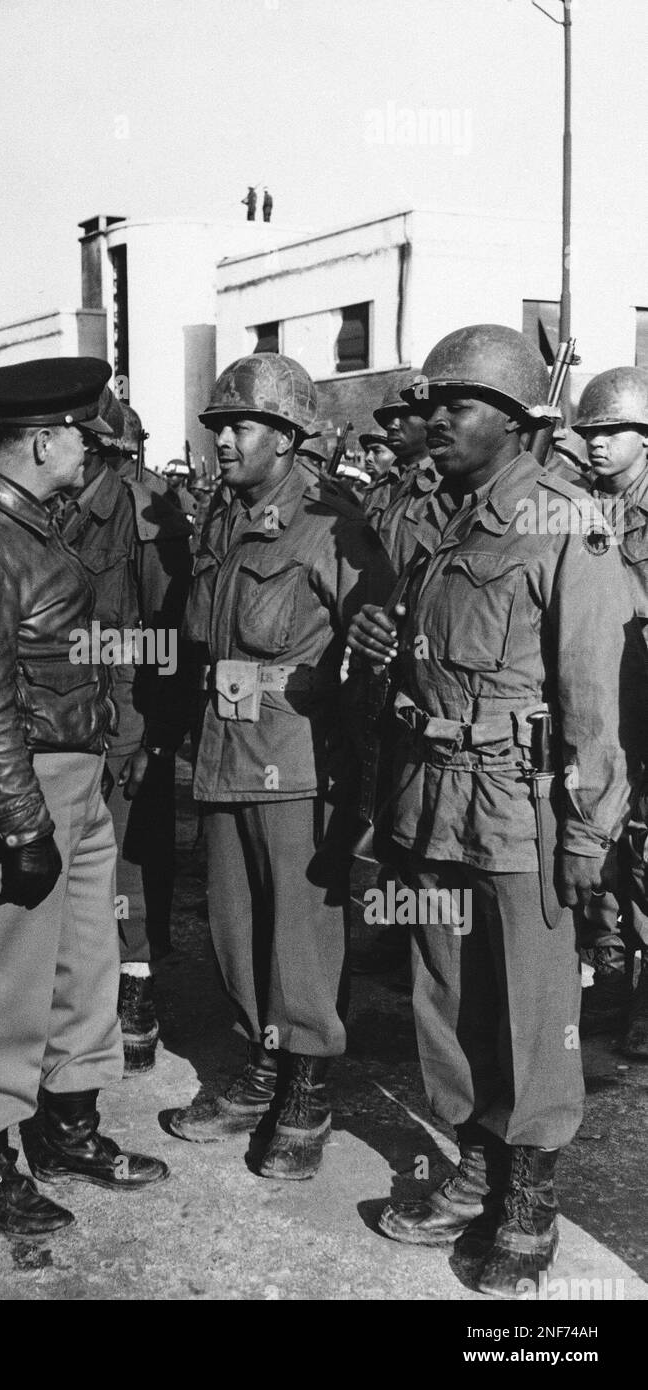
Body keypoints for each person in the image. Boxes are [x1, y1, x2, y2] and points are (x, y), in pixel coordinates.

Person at [350, 324, 636, 1296]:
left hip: (520, 809)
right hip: (432, 802)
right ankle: (473, 1153)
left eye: (454, 405)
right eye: (428, 405)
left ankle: (530, 1193)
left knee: (535, 1008)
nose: (433, 421)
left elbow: (590, 698)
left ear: (512, 422)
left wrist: (589, 833)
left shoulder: (568, 523)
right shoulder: (441, 524)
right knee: (443, 993)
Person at [0, 356, 170, 1238]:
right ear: (39, 439)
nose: (88, 448)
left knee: (82, 964)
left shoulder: (27, 527)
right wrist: (22, 827)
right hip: (12, 788)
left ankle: (69, 1128)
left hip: (70, 775)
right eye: (77, 434)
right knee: (3, 984)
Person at [168, 352, 393, 1180]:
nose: (222, 439)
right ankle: (261, 1061)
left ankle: (307, 1083)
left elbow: (374, 638)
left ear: (290, 436)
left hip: (296, 759)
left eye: (241, 426)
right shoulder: (221, 521)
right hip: (226, 751)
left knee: (299, 936)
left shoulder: (335, 525)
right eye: (219, 425)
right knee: (233, 923)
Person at [57, 387, 193, 1071]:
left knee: (129, 865)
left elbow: (170, 641)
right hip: (70, 713)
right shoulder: (59, 506)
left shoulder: (144, 515)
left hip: (126, 717)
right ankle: (88, 990)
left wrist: (158, 740)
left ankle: (136, 991)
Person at [570, 366, 648, 1057]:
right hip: (599, 696)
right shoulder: (577, 506)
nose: (596, 443)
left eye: (610, 430)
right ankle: (610, 971)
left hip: (645, 692)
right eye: (588, 432)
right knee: (598, 832)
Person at [363, 378, 433, 523]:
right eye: (388, 417)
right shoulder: (378, 489)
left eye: (404, 414)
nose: (392, 425)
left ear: (430, 417)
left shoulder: (451, 485)